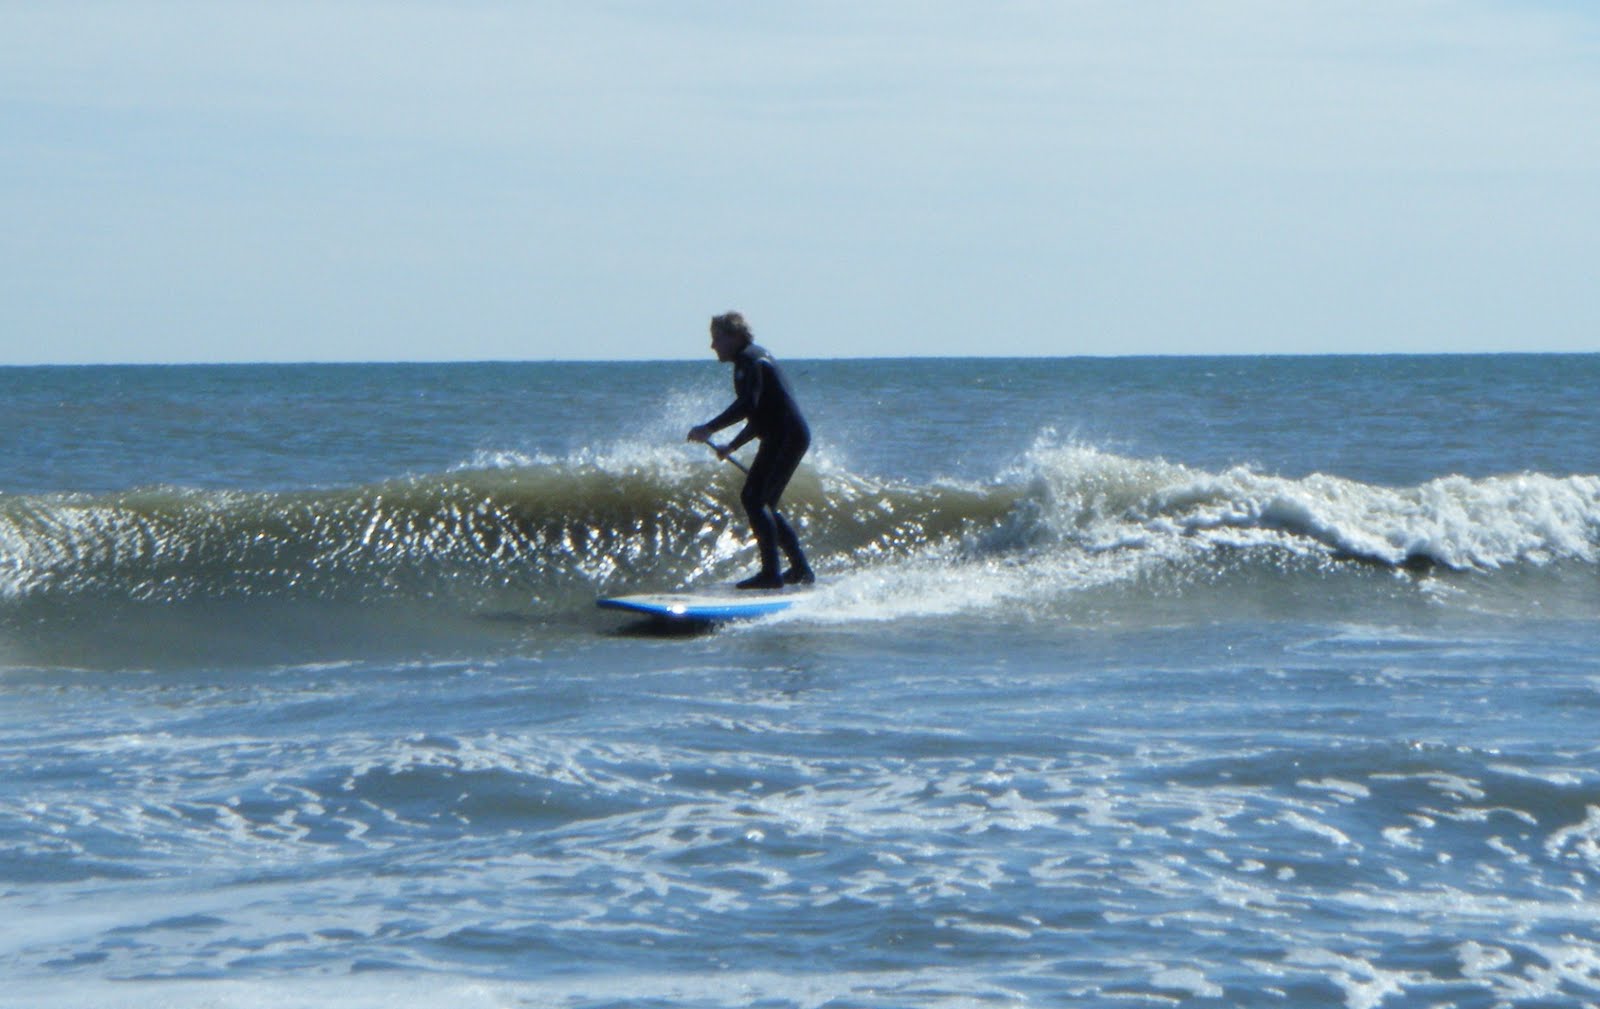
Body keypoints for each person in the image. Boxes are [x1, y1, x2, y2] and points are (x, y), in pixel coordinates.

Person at [687, 311, 815, 590]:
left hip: (786, 435)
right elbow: (760, 414)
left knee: (754, 499)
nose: (713, 346)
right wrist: (732, 445)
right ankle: (800, 570)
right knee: (762, 501)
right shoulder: (754, 358)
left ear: (734, 336)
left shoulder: (750, 360)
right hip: (786, 434)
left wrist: (709, 428)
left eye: (717, 339)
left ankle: (771, 574)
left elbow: (748, 406)